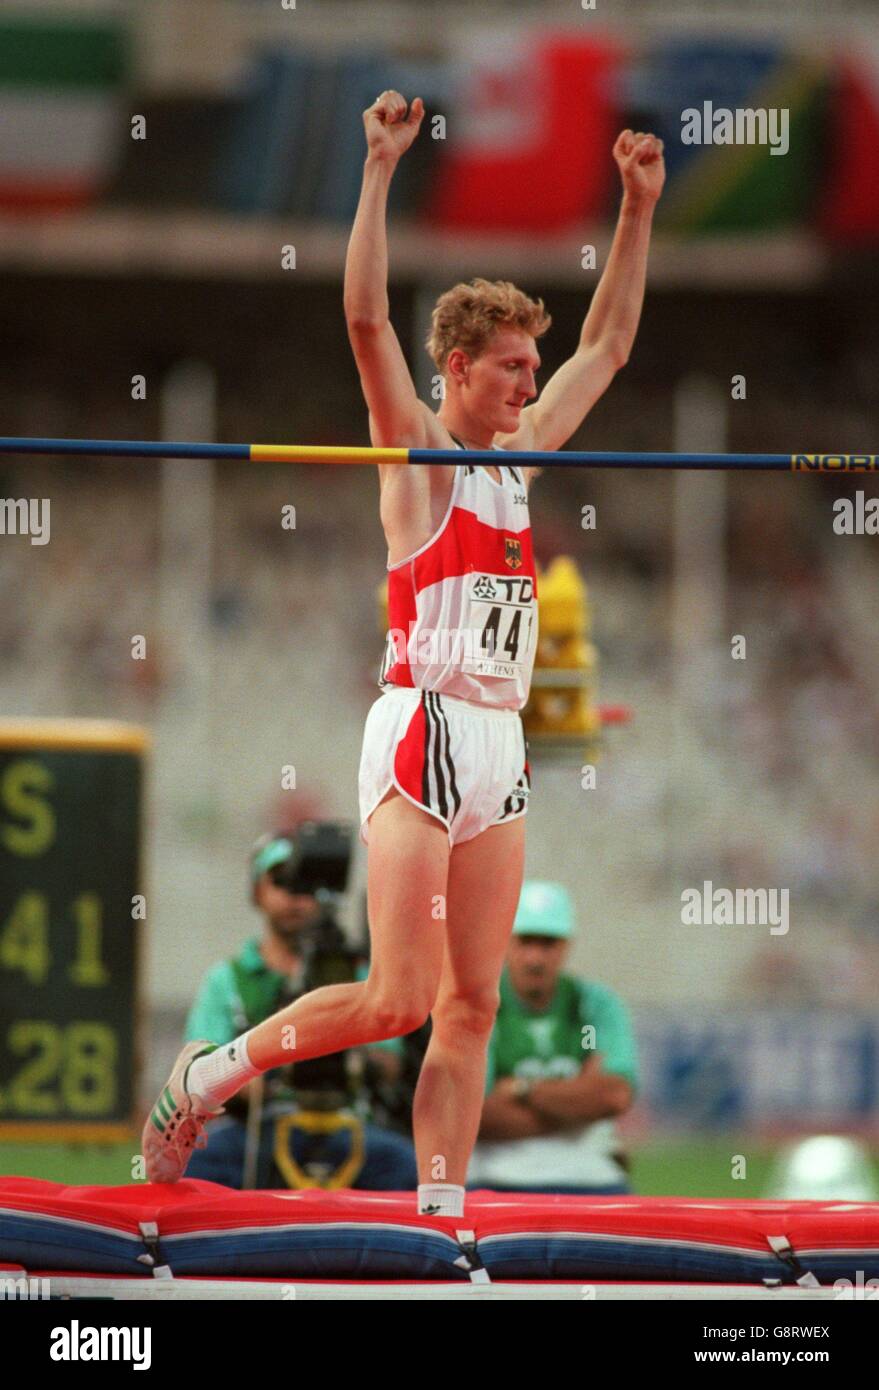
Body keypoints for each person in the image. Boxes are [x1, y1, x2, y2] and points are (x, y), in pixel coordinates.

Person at [142, 91, 664, 1213]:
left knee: (469, 1007)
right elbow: (368, 323)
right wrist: (378, 171)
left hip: (499, 742)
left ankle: (441, 1215)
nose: (532, 384)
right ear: (461, 368)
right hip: (422, 723)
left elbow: (613, 343)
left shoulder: (521, 461)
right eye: (515, 368)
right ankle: (205, 1076)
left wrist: (636, 206)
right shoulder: (420, 457)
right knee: (396, 998)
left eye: (535, 368)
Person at [182, 832, 418, 1190]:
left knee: (409, 1167)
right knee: (194, 1166)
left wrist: (354, 1058)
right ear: (257, 892)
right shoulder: (227, 980)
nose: (296, 898)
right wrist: (261, 1072)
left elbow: (390, 1060)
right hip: (259, 1126)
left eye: (308, 887)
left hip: (347, 1126)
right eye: (282, 883)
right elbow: (200, 1067)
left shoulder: (356, 973)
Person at [469, 881, 639, 1195]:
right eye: (526, 942)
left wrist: (522, 1089)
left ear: (566, 945)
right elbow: (474, 1116)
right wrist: (579, 1106)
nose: (535, 958)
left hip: (588, 1174)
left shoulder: (595, 1005)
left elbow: (613, 1095)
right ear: (506, 941)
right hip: (496, 1174)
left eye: (547, 944)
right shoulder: (479, 1007)